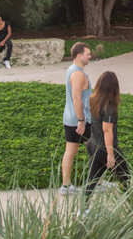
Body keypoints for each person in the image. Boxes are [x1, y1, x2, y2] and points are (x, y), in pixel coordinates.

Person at [83, 71, 130, 196]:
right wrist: (110, 154)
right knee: (125, 177)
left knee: (92, 181)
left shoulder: (93, 100)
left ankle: (83, 209)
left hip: (93, 144)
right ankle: (132, 203)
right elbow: (107, 130)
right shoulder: (109, 108)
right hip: (104, 149)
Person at [60, 42, 93, 196]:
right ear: (79, 55)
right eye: (87, 54)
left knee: (70, 151)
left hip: (69, 118)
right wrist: (81, 120)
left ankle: (66, 186)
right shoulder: (78, 74)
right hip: (80, 119)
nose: (90, 56)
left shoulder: (71, 70)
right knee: (96, 150)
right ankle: (96, 183)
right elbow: (76, 97)